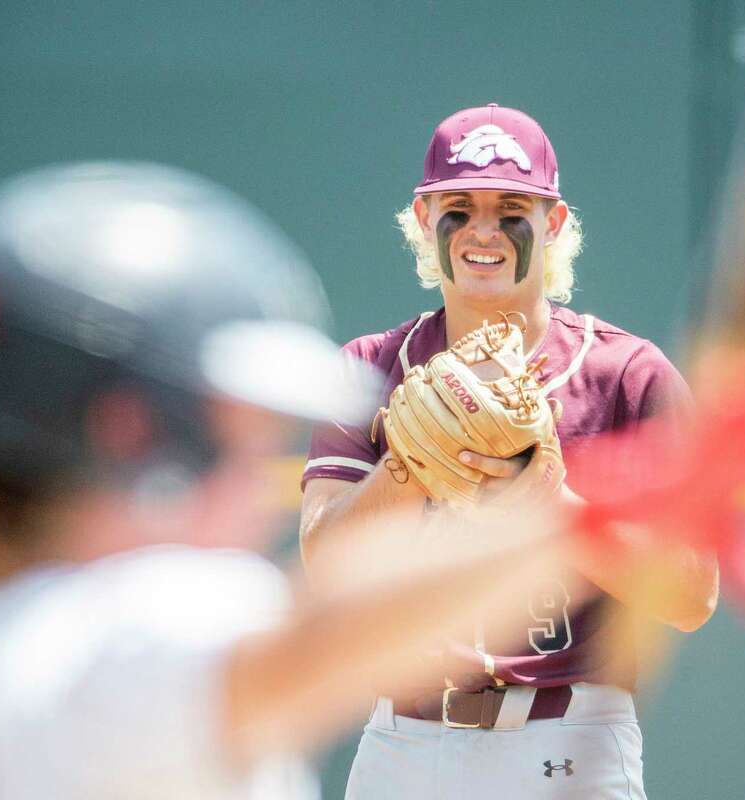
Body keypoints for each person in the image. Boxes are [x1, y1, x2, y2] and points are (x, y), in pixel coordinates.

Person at [0, 162, 576, 799]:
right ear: (133, 435)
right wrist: (616, 507)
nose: (259, 495)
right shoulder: (94, 645)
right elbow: (315, 638)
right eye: (246, 444)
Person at [299, 104, 721, 799]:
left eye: (510, 207)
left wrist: (552, 502)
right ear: (424, 219)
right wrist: (410, 461)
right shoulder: (372, 368)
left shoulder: (626, 375)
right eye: (458, 207)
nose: (483, 230)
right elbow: (326, 568)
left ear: (553, 224)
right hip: (409, 738)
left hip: (571, 735)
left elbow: (691, 593)